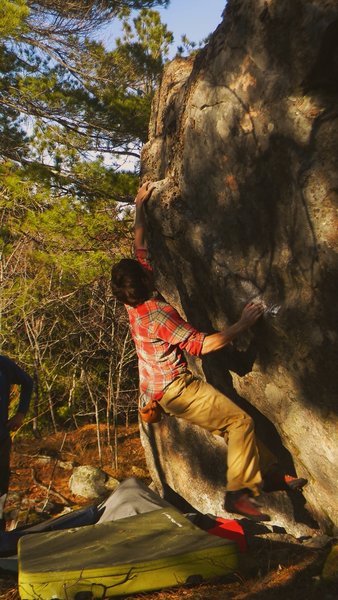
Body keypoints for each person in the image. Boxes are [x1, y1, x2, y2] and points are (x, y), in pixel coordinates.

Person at [111, 181, 307, 521]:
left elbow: (139, 241)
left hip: (160, 392)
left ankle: (270, 474)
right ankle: (238, 495)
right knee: (239, 422)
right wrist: (242, 324)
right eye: (145, 274)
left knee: (226, 428)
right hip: (177, 390)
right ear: (143, 284)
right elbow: (204, 345)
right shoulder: (157, 314)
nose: (148, 272)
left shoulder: (132, 303)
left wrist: (140, 204)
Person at [0, 355, 33, 529]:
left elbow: (27, 382)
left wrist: (21, 413)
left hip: (1, 439)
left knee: (0, 487)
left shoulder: (3, 364)